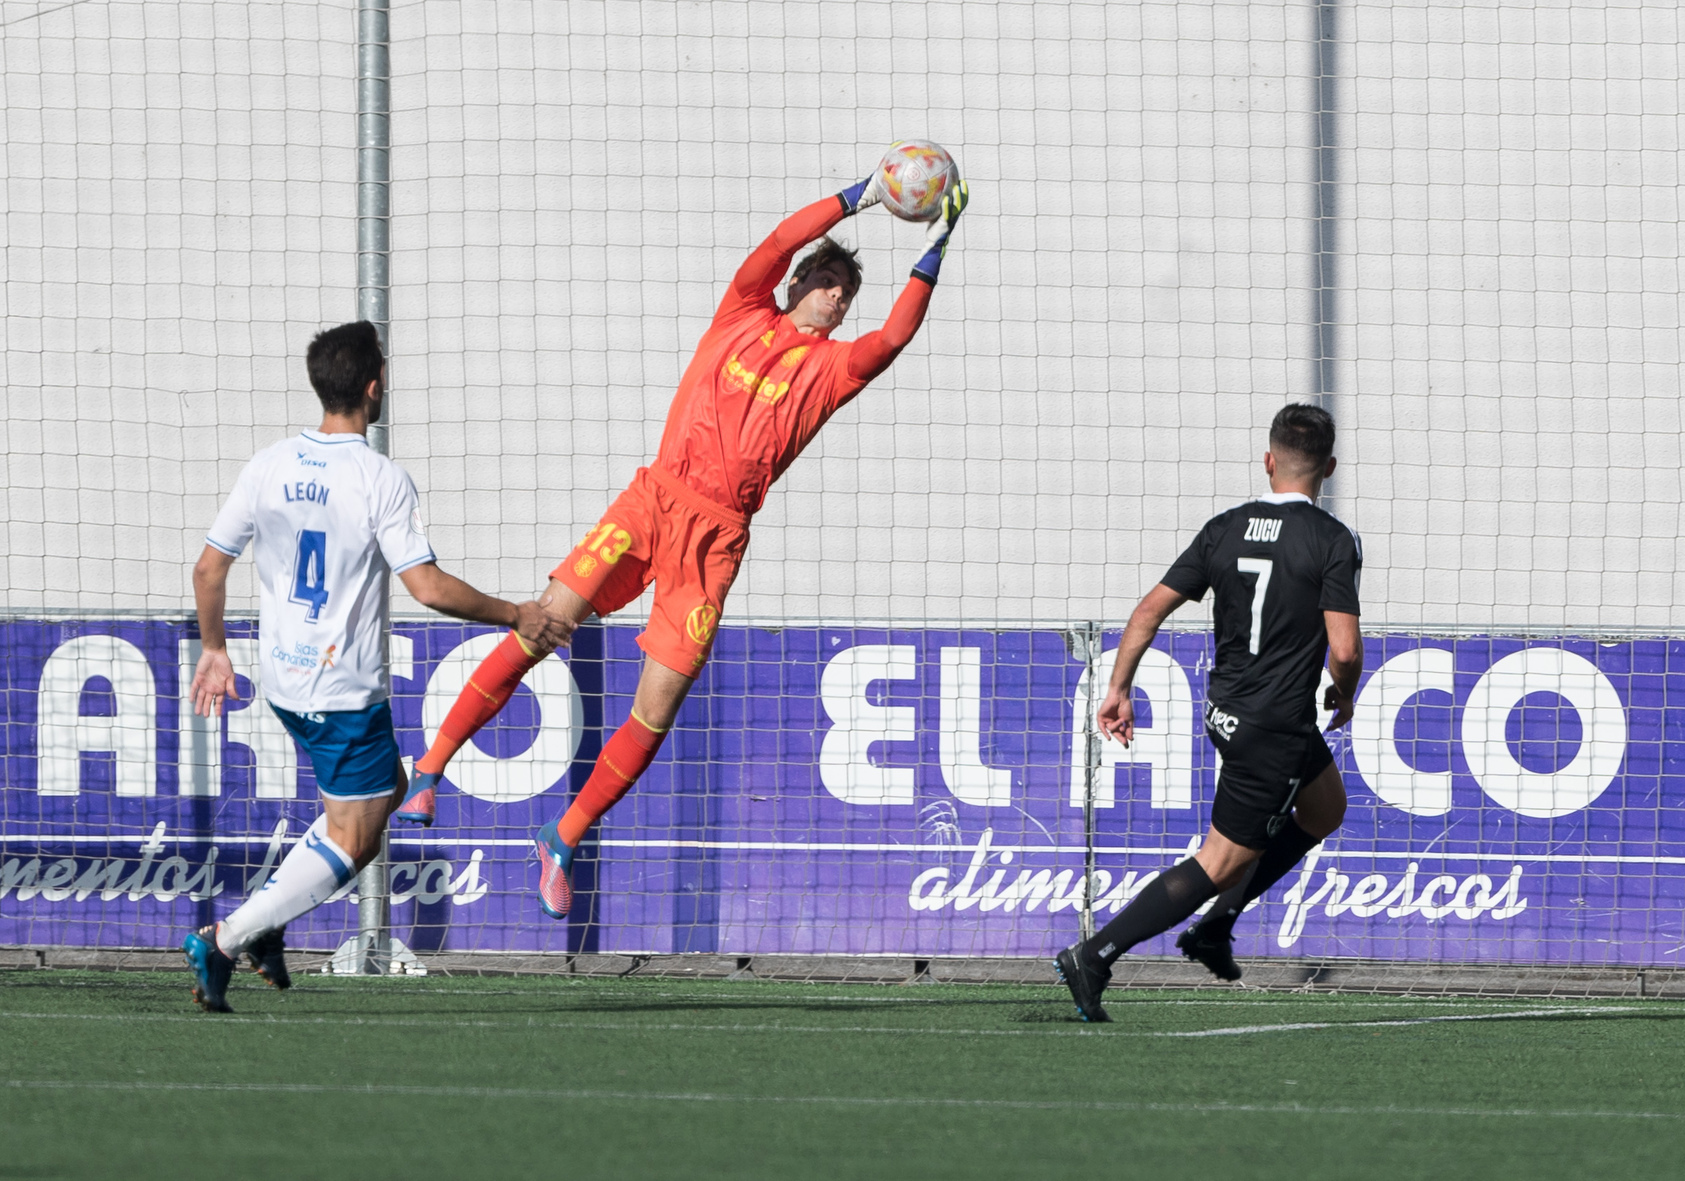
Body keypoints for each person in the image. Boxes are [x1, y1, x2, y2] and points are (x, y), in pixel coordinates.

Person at [390, 164, 973, 920]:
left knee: (657, 707)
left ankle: (563, 833)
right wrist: (859, 195)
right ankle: (430, 767)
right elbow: (776, 240)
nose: (836, 294)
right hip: (654, 500)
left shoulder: (830, 370)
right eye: (826, 279)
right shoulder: (740, 312)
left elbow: (893, 336)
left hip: (717, 541)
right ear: (798, 283)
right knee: (544, 621)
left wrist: (939, 241)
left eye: (846, 291)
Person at [181, 321, 573, 1012]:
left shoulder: (268, 464)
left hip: (282, 677)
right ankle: (228, 936)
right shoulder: (378, 477)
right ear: (372, 385)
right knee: (356, 840)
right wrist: (516, 613)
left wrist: (214, 649)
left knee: (387, 786)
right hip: (340, 690)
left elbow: (209, 567)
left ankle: (266, 923)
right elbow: (426, 586)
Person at [1054, 403, 1362, 1022]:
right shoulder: (1332, 539)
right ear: (1328, 467)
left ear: (1268, 460)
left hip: (1230, 711)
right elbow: (1345, 649)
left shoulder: (1225, 527)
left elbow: (1148, 611)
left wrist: (1118, 687)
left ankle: (1217, 927)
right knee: (1219, 860)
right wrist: (1344, 692)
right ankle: (1096, 955)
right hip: (1273, 725)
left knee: (1324, 807)